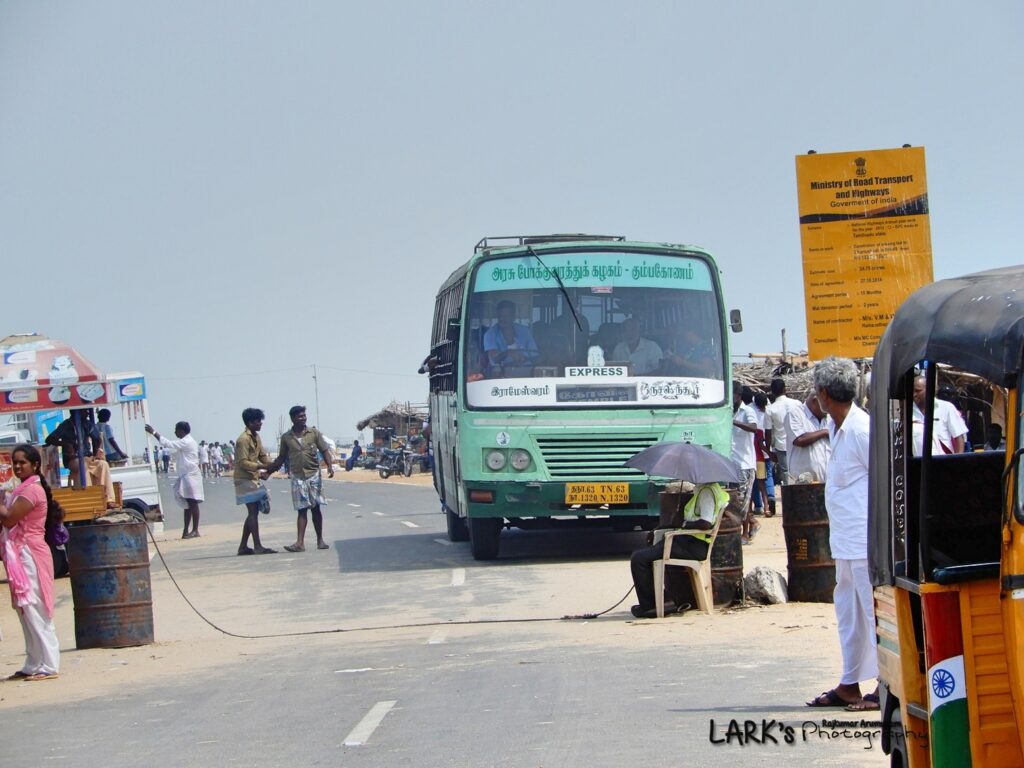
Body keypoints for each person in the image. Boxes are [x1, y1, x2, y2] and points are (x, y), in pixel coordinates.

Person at [806, 356, 878, 711]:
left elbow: (884, 483)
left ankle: (886, 686)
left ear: (822, 393)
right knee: (849, 612)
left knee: (874, 612)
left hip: (866, 542)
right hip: (846, 541)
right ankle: (850, 682)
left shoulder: (862, 430)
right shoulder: (837, 427)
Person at [0, 444, 62, 680]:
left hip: (30, 554)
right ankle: (33, 662)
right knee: (24, 609)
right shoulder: (21, 489)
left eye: (22, 462)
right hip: (19, 554)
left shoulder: (32, 490)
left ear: (34, 465)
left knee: (36, 607)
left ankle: (49, 663)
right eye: (15, 463)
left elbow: (8, 519)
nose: (17, 467)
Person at [629, 482, 729, 618]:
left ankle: (651, 606)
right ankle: (661, 600)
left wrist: (682, 523)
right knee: (646, 554)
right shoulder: (708, 490)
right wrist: (660, 529)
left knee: (639, 558)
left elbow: (705, 523)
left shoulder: (706, 493)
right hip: (688, 543)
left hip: (693, 546)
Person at [265, 405, 335, 553]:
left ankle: (320, 540)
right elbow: (281, 458)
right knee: (301, 510)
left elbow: (325, 450)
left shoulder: (314, 433)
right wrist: (269, 471)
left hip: (313, 474)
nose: (303, 418)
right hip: (297, 476)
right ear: (293, 419)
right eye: (299, 416)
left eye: (304, 416)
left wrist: (329, 465)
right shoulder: (286, 437)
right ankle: (300, 543)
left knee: (316, 508)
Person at [145, 421, 204, 539]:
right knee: (187, 505)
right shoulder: (186, 441)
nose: (175, 432)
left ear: (182, 431)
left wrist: (154, 433)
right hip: (186, 475)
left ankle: (195, 530)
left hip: (190, 475)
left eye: (176, 430)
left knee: (192, 503)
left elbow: (168, 444)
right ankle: (186, 530)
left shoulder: (187, 441)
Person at [44, 412, 116, 507]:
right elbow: (49, 439)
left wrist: (97, 451)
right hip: (73, 459)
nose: (86, 413)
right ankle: (90, 498)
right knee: (83, 466)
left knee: (103, 464)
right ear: (75, 413)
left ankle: (107, 498)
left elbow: (97, 439)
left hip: (88, 456)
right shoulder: (66, 425)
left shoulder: (87, 423)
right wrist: (65, 444)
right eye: (84, 411)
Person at [233, 407, 276, 555]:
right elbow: (242, 462)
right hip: (244, 478)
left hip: (253, 478)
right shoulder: (243, 440)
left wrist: (271, 465)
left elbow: (262, 455)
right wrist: (261, 466)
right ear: (250, 422)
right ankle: (257, 546)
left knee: (253, 512)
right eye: (258, 421)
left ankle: (243, 546)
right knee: (252, 512)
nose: (260, 423)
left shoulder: (256, 437)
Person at [911, 375, 968, 456]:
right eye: (912, 391)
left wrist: (957, 463)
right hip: (918, 463)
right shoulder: (908, 411)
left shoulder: (946, 408)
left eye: (917, 391)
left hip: (943, 462)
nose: (914, 395)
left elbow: (959, 437)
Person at [731, 384, 758, 543]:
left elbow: (754, 428)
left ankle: (745, 532)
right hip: (732, 461)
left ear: (738, 396)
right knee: (736, 500)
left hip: (745, 463)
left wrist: (735, 422)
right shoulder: (728, 411)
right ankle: (752, 523)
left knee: (743, 501)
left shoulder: (747, 411)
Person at [483, 300, 539, 373]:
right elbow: (494, 358)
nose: (502, 319)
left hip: (526, 372)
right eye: (500, 316)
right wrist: (508, 353)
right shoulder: (490, 334)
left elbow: (535, 355)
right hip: (499, 375)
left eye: (505, 316)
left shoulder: (524, 331)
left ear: (513, 317)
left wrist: (523, 359)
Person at [785, 393, 831, 483]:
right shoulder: (795, 414)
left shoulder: (828, 417)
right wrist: (824, 432)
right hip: (803, 483)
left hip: (828, 483)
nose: (827, 410)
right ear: (815, 401)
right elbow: (799, 439)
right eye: (825, 405)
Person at [766, 378, 799, 486]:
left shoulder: (770, 409)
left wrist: (769, 451)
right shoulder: (797, 404)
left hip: (782, 446)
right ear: (785, 389)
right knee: (799, 470)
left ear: (772, 392)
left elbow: (768, 433)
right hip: (798, 443)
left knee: (786, 472)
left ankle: (789, 496)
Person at [750, 392, 775, 517]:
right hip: (760, 459)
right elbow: (762, 446)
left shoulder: (748, 430)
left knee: (751, 486)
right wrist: (770, 453)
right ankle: (766, 507)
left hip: (750, 459)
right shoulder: (759, 431)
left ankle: (752, 509)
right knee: (763, 484)